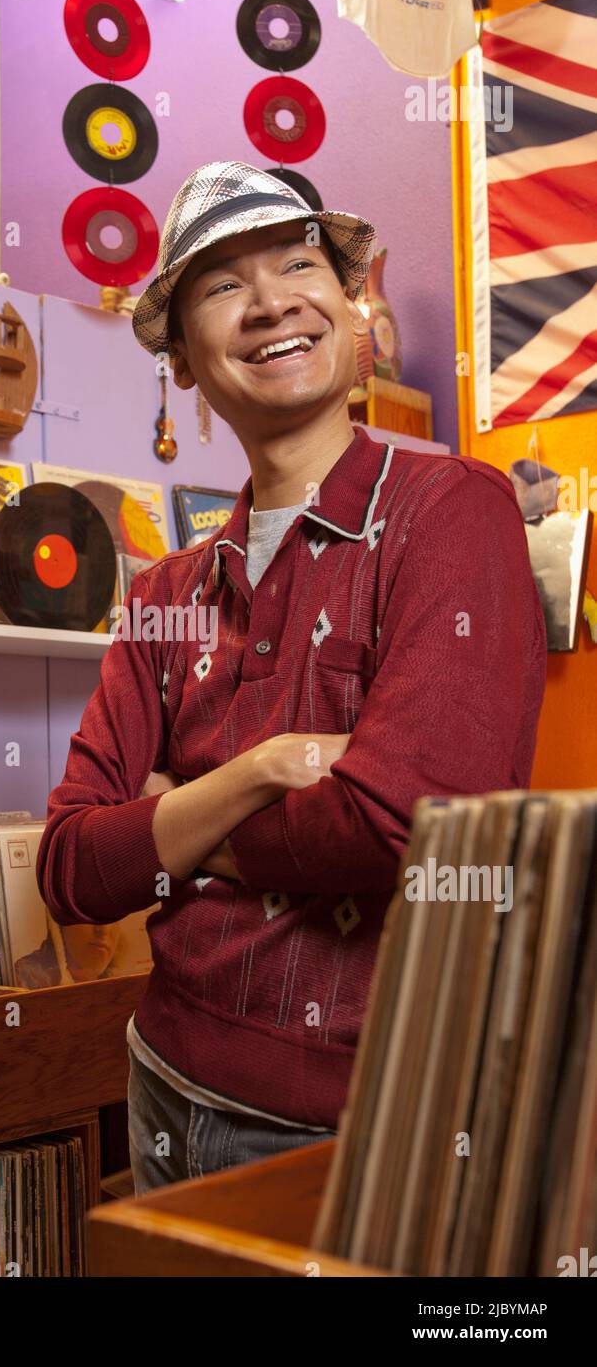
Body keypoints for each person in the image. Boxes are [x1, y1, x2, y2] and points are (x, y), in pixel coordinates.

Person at [36, 160, 547, 1194]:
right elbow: (70, 870)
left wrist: (177, 827)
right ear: (178, 358)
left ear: (348, 302)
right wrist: (262, 768)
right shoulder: (167, 587)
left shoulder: (453, 511)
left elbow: (401, 822)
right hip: (163, 1079)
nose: (271, 300)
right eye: (221, 285)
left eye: (298, 263)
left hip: (362, 1123)